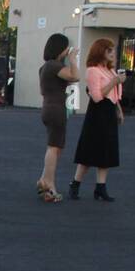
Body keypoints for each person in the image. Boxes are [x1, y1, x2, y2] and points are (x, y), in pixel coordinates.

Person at [70, 38, 125, 201]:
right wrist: (115, 81)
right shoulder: (93, 70)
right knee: (90, 150)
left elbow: (114, 94)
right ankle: (75, 184)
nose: (113, 54)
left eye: (113, 51)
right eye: (109, 51)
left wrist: (119, 110)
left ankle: (100, 187)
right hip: (97, 113)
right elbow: (97, 97)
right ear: (100, 52)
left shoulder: (110, 71)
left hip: (109, 111)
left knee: (106, 150)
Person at [36, 33, 80, 202]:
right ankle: (50, 185)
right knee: (54, 146)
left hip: (49, 107)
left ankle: (44, 180)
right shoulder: (54, 66)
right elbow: (75, 77)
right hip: (56, 109)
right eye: (66, 47)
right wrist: (73, 59)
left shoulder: (46, 67)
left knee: (56, 146)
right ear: (60, 48)